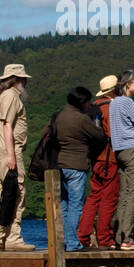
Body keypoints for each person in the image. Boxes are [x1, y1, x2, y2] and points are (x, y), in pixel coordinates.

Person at [0, 63, 34, 251]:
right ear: (17, 80)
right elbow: (7, 126)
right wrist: (10, 153)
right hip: (9, 153)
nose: (25, 83)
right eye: (23, 79)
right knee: (16, 195)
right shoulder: (11, 96)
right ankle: (12, 240)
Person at [55, 86, 107, 252]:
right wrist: (97, 121)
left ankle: (62, 241)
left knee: (63, 205)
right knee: (76, 206)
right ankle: (72, 243)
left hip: (59, 164)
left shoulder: (59, 116)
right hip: (77, 165)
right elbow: (99, 136)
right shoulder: (81, 119)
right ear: (83, 102)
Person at [76, 75, 121, 249]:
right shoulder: (112, 107)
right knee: (109, 198)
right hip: (110, 158)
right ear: (115, 90)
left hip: (95, 158)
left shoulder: (94, 107)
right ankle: (105, 238)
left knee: (93, 197)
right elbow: (112, 133)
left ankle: (82, 236)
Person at [110, 69, 134, 251]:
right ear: (128, 84)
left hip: (118, 150)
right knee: (132, 195)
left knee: (124, 195)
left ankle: (119, 237)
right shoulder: (128, 102)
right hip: (132, 149)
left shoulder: (113, 103)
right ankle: (127, 238)